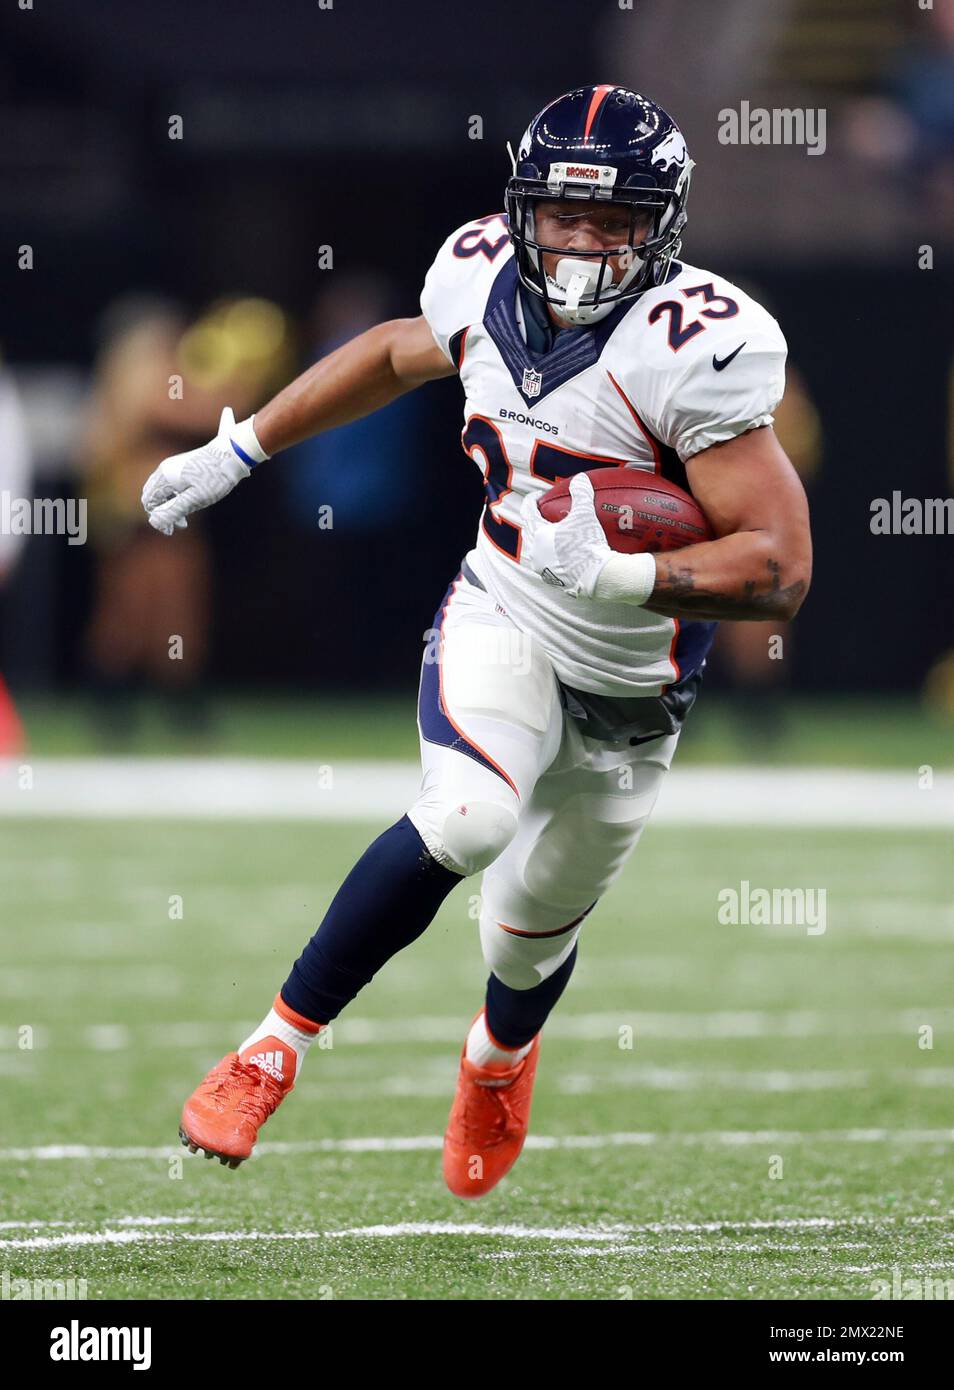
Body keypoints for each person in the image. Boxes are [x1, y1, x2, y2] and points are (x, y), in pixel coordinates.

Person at [142, 86, 812, 1196]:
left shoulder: (698, 344)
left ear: (666, 225)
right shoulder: (476, 273)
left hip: (635, 683)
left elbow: (780, 568)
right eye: (561, 214)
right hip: (502, 612)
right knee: (469, 813)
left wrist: (621, 570)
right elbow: (402, 352)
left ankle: (496, 1060)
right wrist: (242, 449)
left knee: (523, 944)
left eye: (614, 220)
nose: (583, 243)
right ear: (521, 209)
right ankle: (271, 1047)